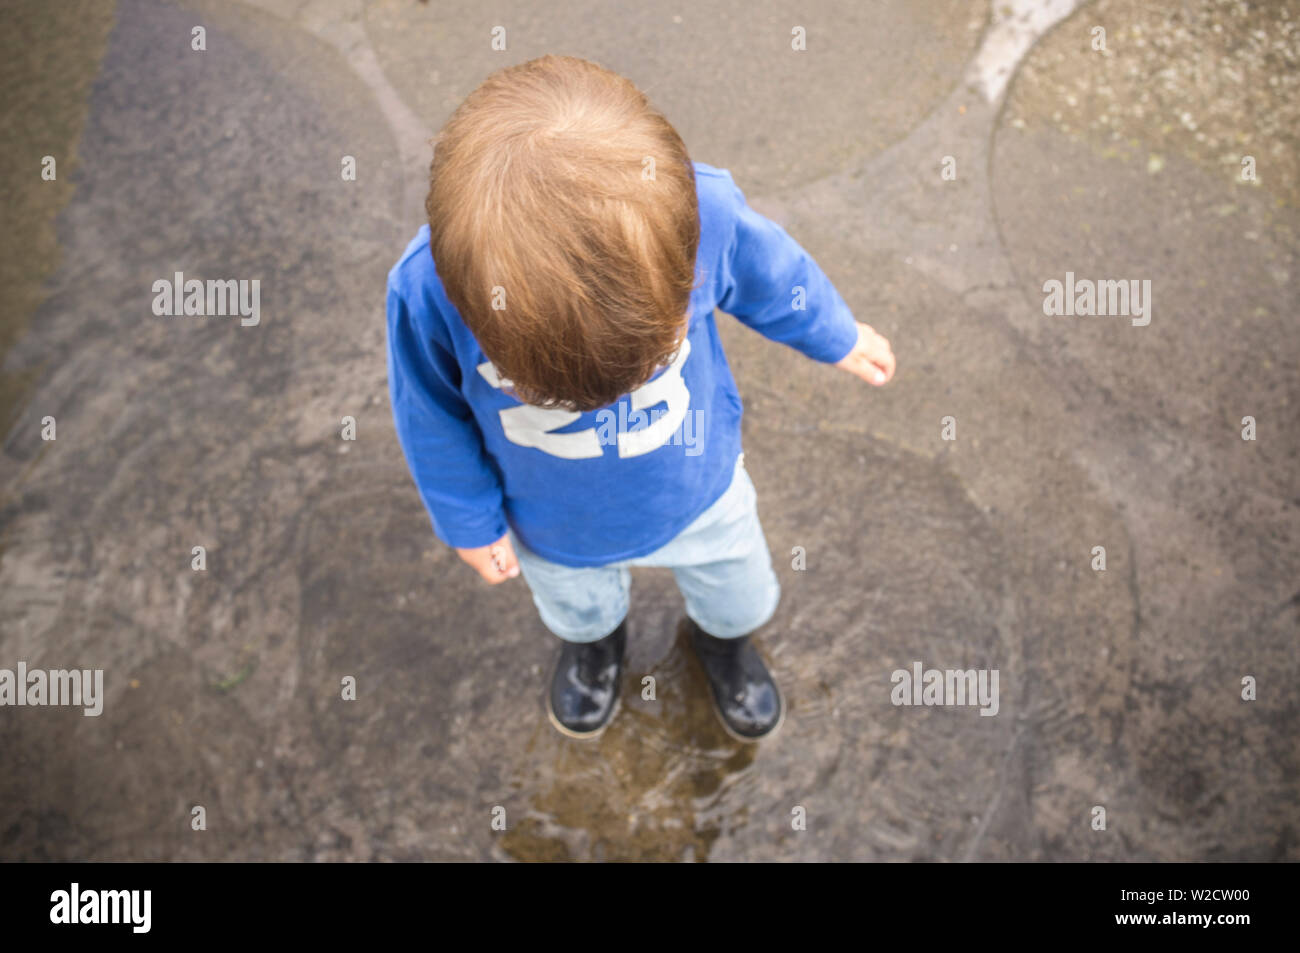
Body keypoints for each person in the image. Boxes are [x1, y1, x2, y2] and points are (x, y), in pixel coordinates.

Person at [386, 55, 895, 742]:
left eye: (649, 362)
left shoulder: (703, 213)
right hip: (553, 521)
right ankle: (596, 647)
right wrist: (467, 520)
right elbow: (430, 418)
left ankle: (724, 643)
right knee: (577, 603)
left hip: (699, 482)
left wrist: (834, 331)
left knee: (735, 584)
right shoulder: (426, 295)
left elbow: (773, 275)